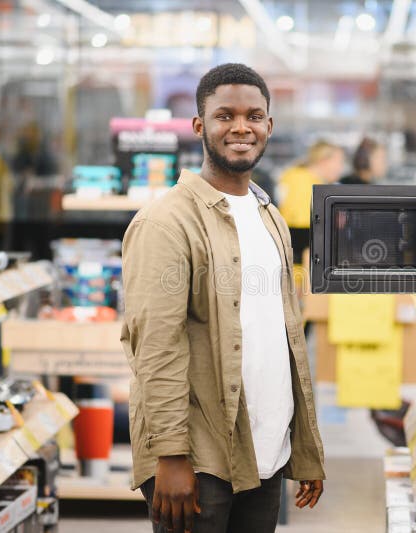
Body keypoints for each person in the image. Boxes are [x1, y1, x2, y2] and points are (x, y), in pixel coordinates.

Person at [121, 63, 325, 533]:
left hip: (264, 451)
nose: (240, 127)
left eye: (254, 116)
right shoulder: (166, 222)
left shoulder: (267, 213)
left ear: (269, 125)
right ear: (199, 125)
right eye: (224, 115)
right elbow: (155, 346)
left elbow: (284, 336)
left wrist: (305, 448)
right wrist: (170, 455)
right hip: (199, 457)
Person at [277, 140, 344, 265]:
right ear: (324, 161)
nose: (341, 168)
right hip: (298, 272)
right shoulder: (302, 181)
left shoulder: (298, 176)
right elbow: (301, 235)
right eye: (339, 162)